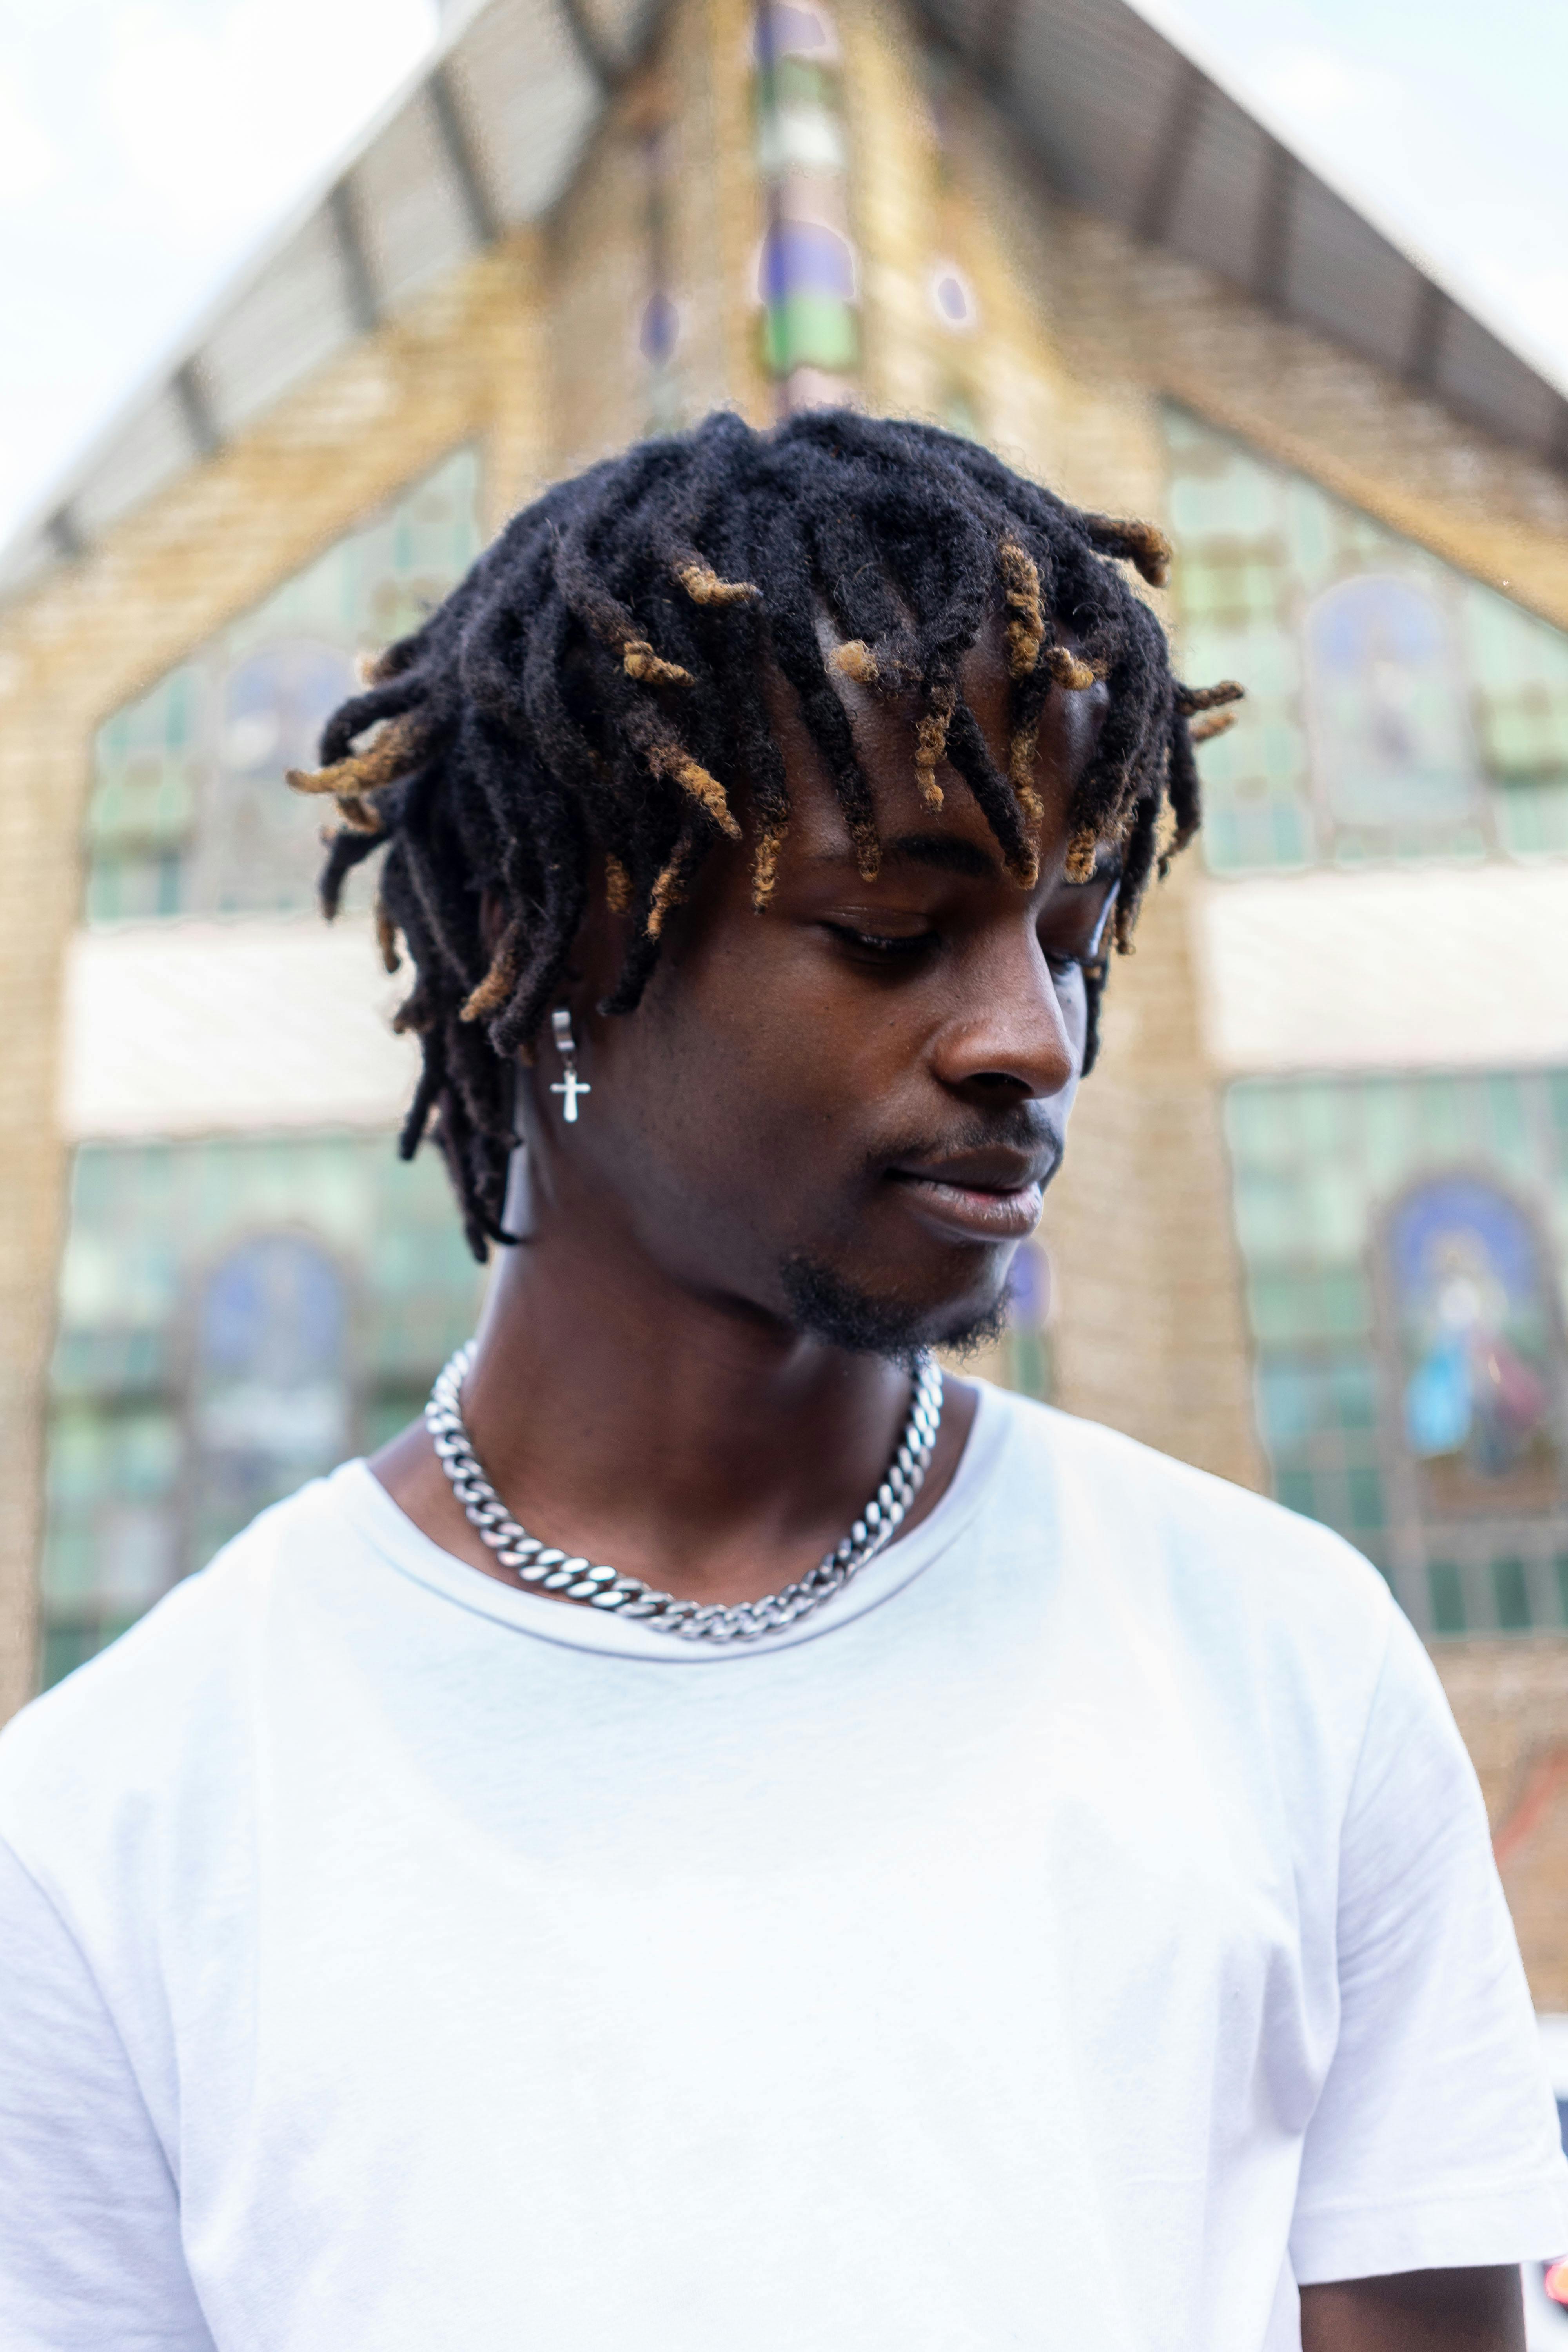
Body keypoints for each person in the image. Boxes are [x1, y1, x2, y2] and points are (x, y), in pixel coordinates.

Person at [0, 410, 1562, 2351]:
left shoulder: (1279, 1659)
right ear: (538, 943)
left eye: (1069, 942)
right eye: (891, 931)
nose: (1029, 1041)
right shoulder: (114, 1824)